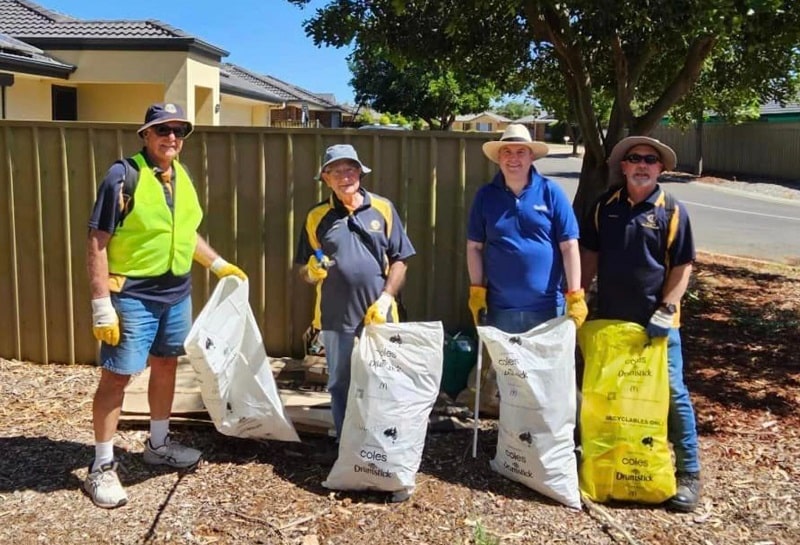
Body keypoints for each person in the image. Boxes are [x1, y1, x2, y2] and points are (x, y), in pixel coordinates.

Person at [85, 102, 246, 509]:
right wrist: (101, 302)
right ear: (145, 134)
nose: (171, 137)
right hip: (133, 296)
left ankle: (157, 444)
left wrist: (218, 264)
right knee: (118, 377)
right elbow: (96, 242)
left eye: (178, 131)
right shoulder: (123, 176)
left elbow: (186, 233)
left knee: (167, 365)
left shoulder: (182, 177)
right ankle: (102, 467)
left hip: (176, 294)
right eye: (162, 130)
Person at [579, 135, 701, 512]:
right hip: (612, 323)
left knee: (674, 394)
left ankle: (690, 473)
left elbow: (682, 266)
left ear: (660, 168)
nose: (643, 164)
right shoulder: (605, 207)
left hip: (658, 325)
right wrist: (578, 298)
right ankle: (613, 461)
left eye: (651, 159)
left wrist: (667, 309)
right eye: (635, 158)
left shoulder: (672, 210)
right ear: (624, 166)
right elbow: (589, 255)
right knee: (608, 394)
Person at [296, 144, 416, 443]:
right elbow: (302, 270)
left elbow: (401, 259)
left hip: (380, 315)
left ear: (360, 173)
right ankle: (346, 441)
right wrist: (310, 272)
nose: (344, 176)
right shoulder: (316, 217)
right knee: (340, 382)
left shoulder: (383, 208)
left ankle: (383, 443)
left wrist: (387, 297)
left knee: (383, 380)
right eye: (336, 171)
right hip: (336, 316)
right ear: (325, 178)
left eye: (350, 169)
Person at [467, 124, 587, 333]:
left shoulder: (551, 192)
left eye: (520, 152)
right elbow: (474, 247)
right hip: (500, 311)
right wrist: (477, 291)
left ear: (531, 156)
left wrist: (575, 295)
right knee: (506, 367)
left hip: (548, 309)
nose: (513, 158)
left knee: (545, 367)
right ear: (499, 158)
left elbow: (569, 246)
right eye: (507, 152)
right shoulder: (485, 196)